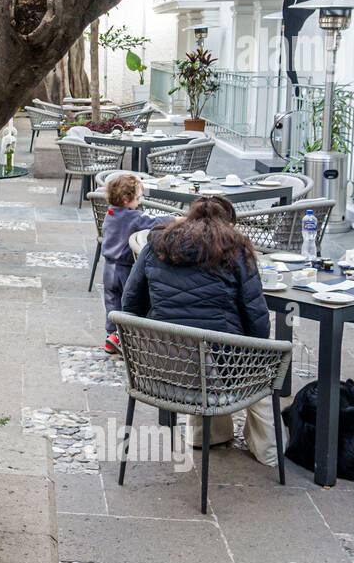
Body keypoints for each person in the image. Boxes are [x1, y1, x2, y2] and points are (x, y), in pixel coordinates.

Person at [120, 196, 280, 464]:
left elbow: (129, 304)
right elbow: (257, 321)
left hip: (159, 366)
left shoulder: (156, 246)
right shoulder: (237, 251)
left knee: (196, 342)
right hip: (217, 369)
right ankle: (270, 453)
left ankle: (207, 435)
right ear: (228, 225)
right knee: (257, 363)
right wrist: (256, 356)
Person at [101, 174, 174, 356]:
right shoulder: (133, 217)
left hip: (108, 268)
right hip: (124, 267)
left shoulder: (111, 212)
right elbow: (153, 222)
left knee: (111, 302)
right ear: (126, 199)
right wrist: (174, 219)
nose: (139, 202)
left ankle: (112, 334)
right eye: (138, 198)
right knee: (128, 303)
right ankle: (126, 337)